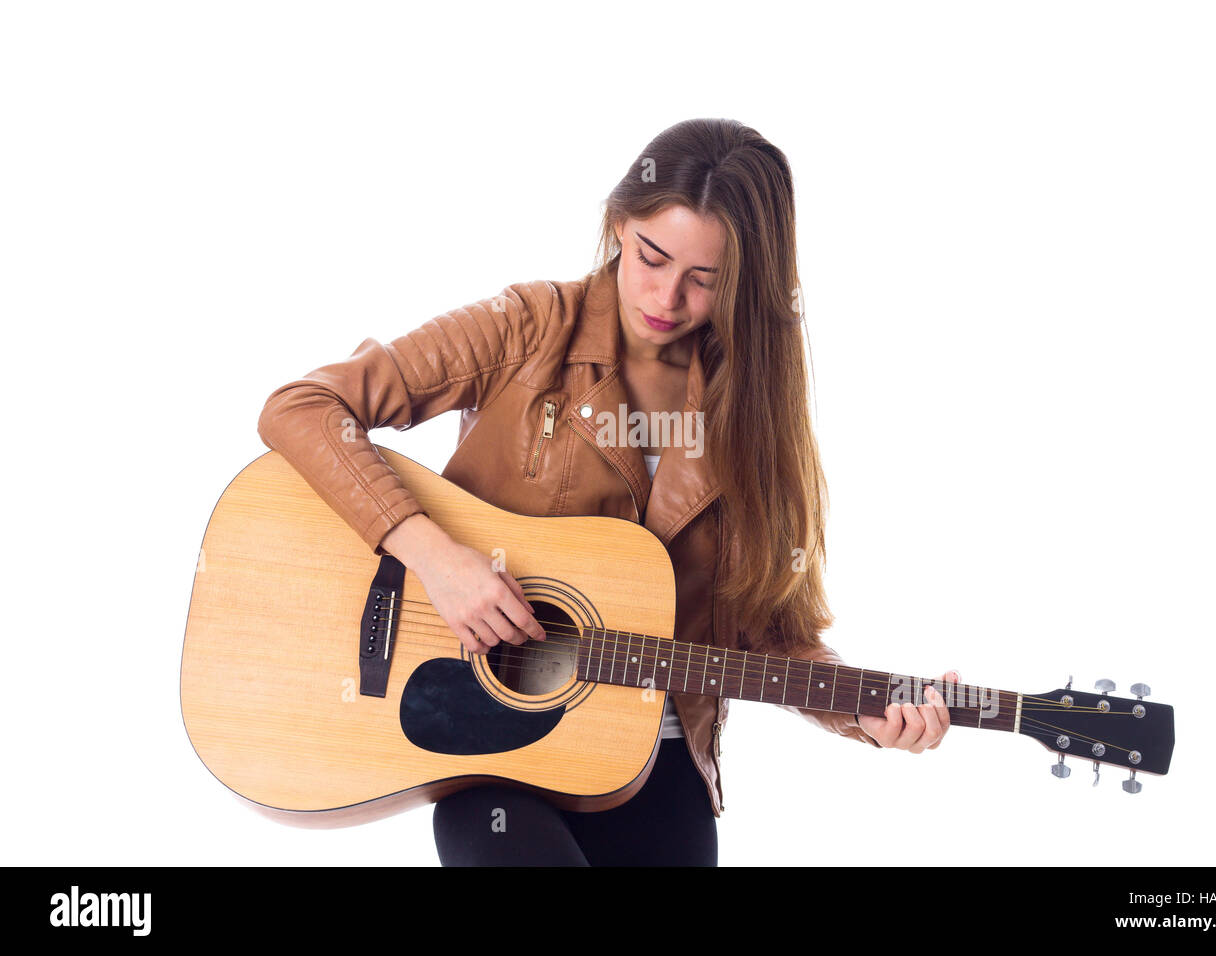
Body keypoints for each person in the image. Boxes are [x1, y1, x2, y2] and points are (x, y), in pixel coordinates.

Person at [257, 118, 959, 866]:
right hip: (490, 745)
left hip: (653, 761)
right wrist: (436, 557)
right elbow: (302, 407)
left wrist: (866, 713)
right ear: (620, 225)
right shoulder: (527, 329)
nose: (665, 296)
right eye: (652, 257)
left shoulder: (755, 420)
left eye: (705, 280)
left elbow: (770, 636)